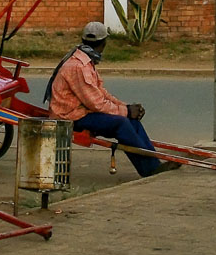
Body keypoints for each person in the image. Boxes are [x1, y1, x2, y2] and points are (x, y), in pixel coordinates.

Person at [45, 21, 178, 178]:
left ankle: (153, 164)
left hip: (82, 111)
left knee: (131, 121)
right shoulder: (78, 66)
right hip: (70, 116)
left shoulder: (86, 60)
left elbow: (101, 93)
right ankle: (150, 169)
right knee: (121, 123)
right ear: (103, 43)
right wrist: (126, 111)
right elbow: (96, 103)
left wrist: (125, 108)